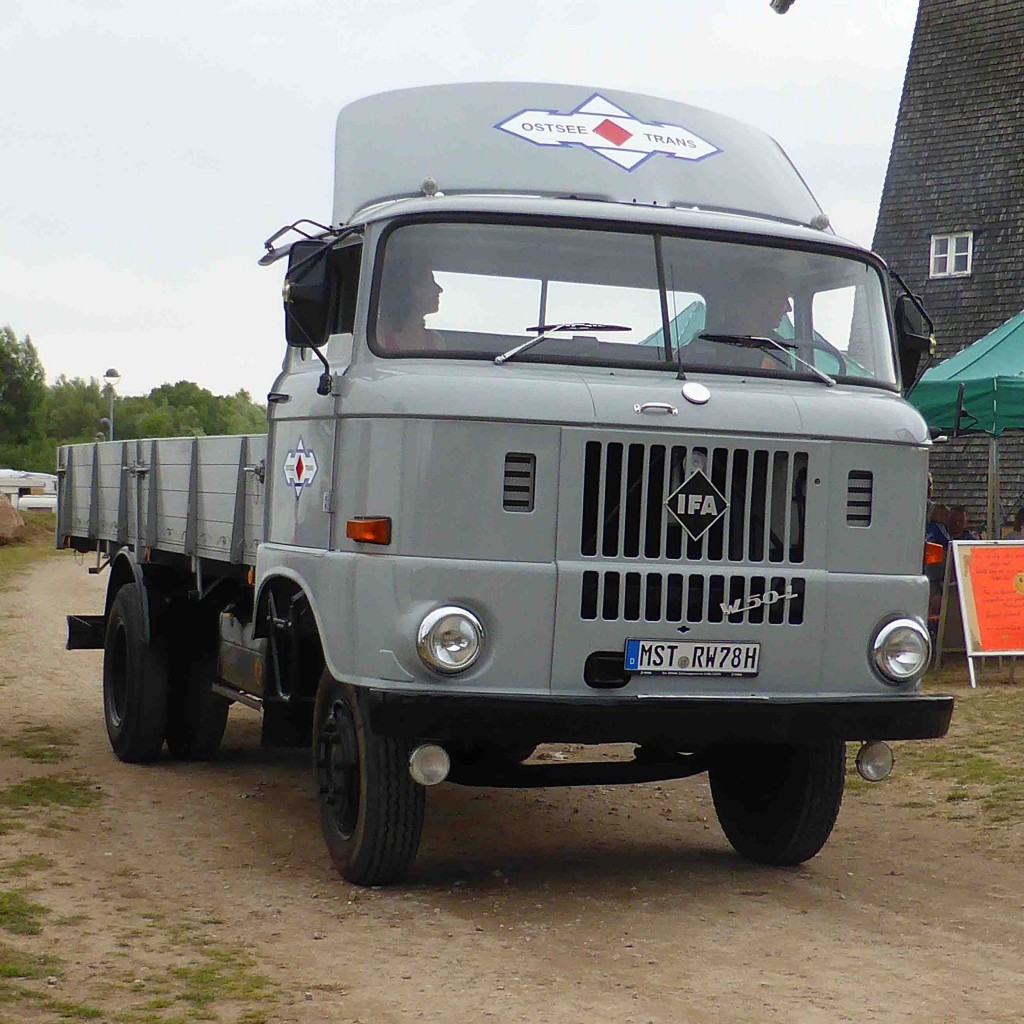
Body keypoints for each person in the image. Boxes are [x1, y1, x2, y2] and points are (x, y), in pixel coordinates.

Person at [375, 254, 445, 353]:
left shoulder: (436, 340)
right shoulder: (376, 336)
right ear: (409, 289)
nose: (439, 289)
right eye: (430, 282)